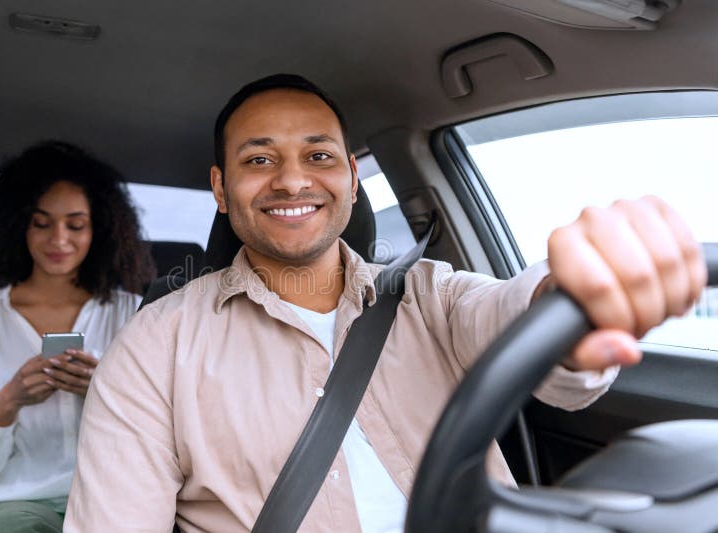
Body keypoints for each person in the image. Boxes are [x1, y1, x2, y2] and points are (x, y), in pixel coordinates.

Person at [64, 75, 706, 533]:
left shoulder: (431, 294)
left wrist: (571, 295)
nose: (292, 179)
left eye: (317, 156)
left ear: (348, 176)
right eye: (259, 160)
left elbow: (513, 311)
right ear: (222, 189)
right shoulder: (154, 347)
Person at [0, 141, 155, 532]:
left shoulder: (136, 315)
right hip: (12, 509)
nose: (59, 240)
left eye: (75, 225)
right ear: (15, 225)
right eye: (41, 223)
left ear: (101, 229)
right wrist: (6, 404)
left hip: (116, 504)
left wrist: (105, 391)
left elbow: (171, 442)